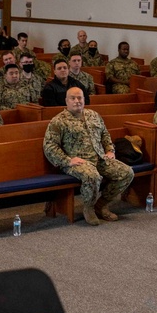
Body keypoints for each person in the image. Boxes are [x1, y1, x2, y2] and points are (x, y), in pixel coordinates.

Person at [43, 87, 133, 225]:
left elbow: (104, 134)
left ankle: (101, 204)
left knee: (126, 172)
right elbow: (49, 146)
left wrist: (110, 150)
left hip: (99, 158)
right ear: (66, 101)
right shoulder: (58, 121)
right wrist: (67, 160)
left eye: (80, 98)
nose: (77, 101)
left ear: (84, 99)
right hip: (77, 162)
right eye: (73, 98)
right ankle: (89, 207)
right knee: (92, 176)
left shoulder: (94, 115)